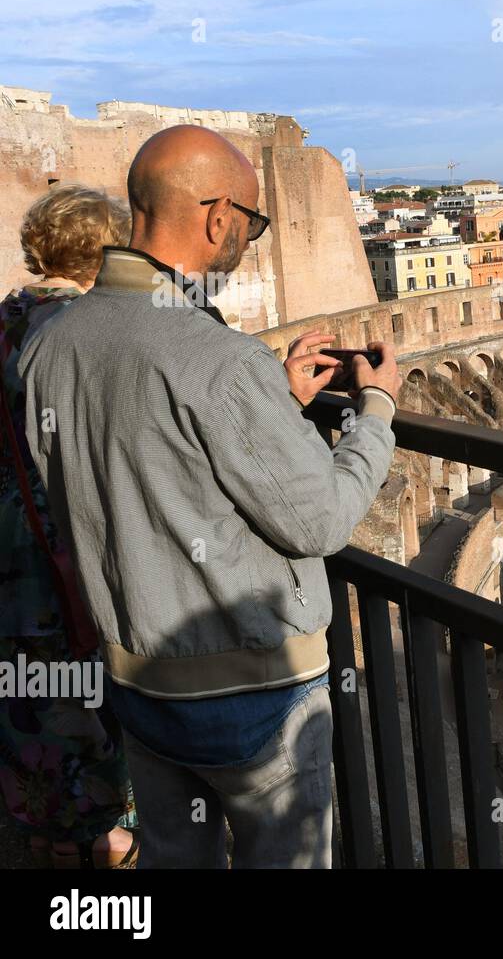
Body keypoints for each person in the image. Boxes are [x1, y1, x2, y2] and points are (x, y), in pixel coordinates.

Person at [20, 125, 402, 869]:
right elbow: (319, 517)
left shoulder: (49, 347)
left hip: (137, 684)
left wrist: (273, 397)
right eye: (250, 224)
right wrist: (376, 409)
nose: (249, 242)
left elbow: (144, 450)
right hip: (258, 693)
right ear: (218, 216)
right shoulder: (219, 358)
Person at [0, 184, 139, 868]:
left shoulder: (6, 320)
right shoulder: (86, 332)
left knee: (26, 684)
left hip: (9, 543)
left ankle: (49, 828)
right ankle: (102, 841)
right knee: (87, 683)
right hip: (69, 541)